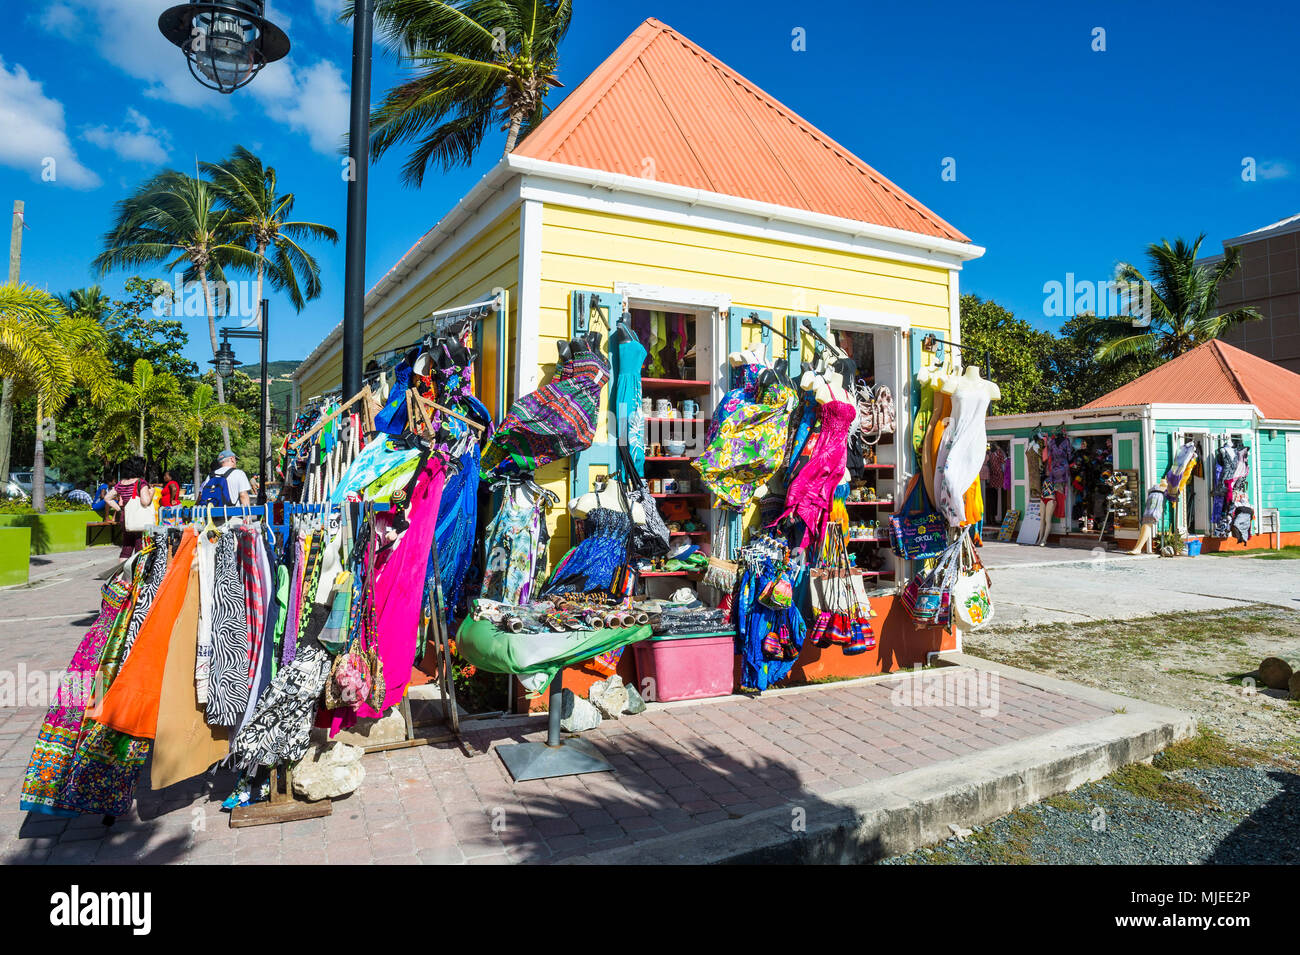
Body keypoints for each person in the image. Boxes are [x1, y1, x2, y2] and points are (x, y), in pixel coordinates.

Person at [104, 457, 153, 559]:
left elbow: (107, 498)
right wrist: (152, 493)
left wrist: (120, 509)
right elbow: (145, 502)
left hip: (125, 518)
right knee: (140, 548)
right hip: (139, 520)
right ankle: (136, 574)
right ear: (139, 468)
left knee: (127, 548)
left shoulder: (121, 483)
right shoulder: (141, 483)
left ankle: (122, 574)